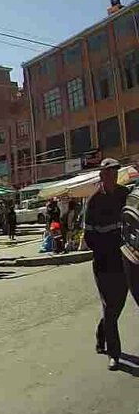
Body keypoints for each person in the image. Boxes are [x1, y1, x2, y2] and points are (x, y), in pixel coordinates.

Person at [83, 157, 130, 370]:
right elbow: (89, 237)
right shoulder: (93, 201)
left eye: (114, 172)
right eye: (108, 172)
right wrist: (105, 248)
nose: (112, 176)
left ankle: (102, 333)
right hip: (103, 262)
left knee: (116, 305)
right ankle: (115, 354)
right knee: (109, 306)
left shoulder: (125, 195)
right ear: (101, 175)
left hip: (124, 259)